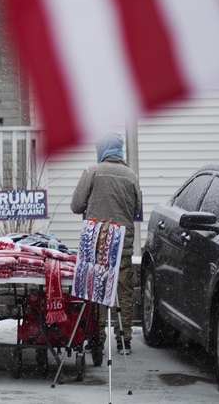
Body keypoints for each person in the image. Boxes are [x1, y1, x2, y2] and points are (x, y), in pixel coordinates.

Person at [71, 133, 141, 355]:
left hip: (97, 243)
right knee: (124, 291)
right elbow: (136, 209)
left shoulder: (92, 172)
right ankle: (124, 340)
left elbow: (76, 206)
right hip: (123, 244)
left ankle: (97, 338)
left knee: (96, 291)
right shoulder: (131, 176)